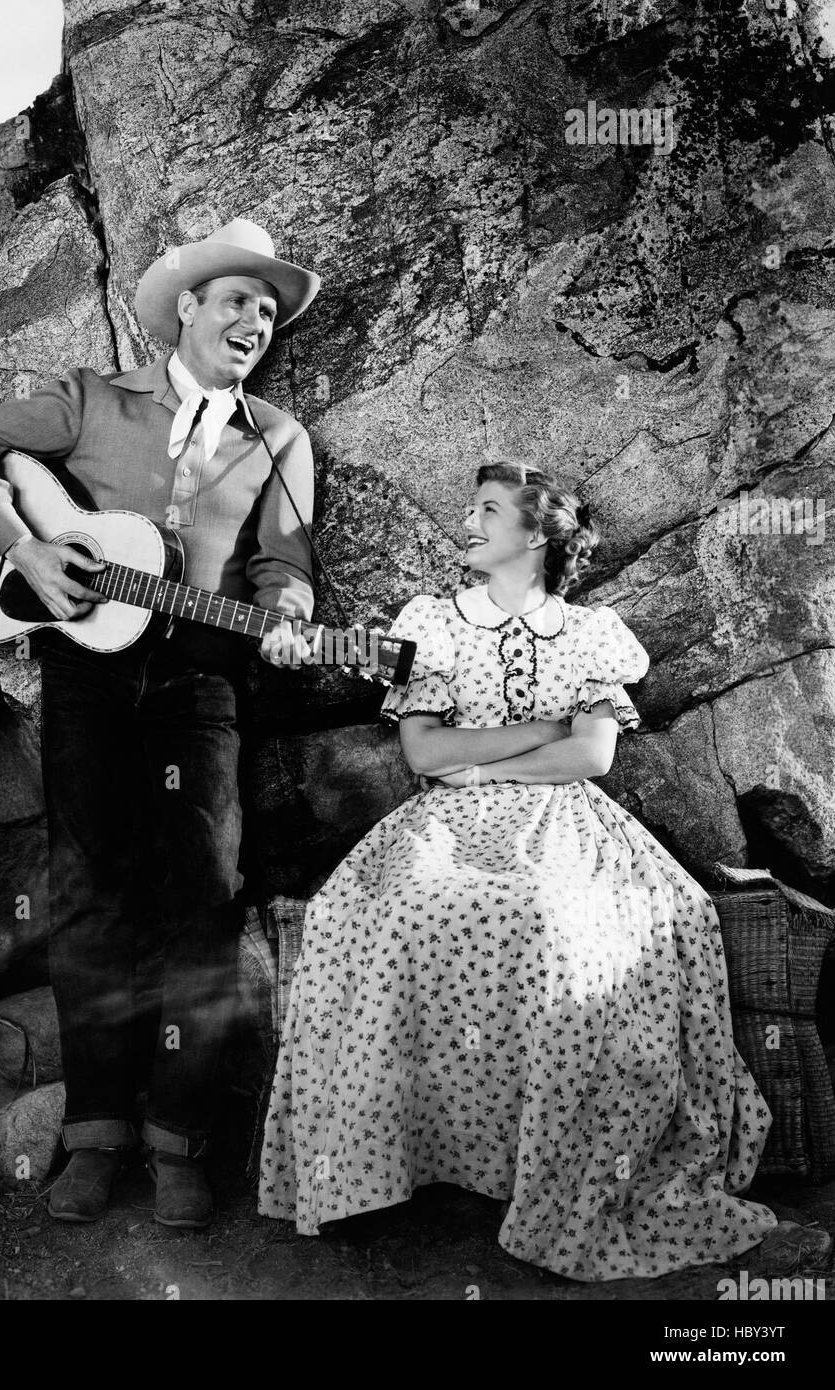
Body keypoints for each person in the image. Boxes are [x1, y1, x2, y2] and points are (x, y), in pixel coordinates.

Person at [258, 460, 791, 1281]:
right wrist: (531, 733)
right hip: (446, 819)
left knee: (559, 925)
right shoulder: (433, 623)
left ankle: (536, 1172)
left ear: (537, 534)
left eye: (488, 509)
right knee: (392, 910)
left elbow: (590, 753)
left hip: (564, 824)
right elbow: (424, 751)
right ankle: (379, 1167)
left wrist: (494, 759)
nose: (467, 522)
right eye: (468, 506)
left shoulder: (587, 633)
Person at [0, 219, 320, 1229]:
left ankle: (179, 1141)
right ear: (186, 306)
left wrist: (288, 619)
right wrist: (27, 547)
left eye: (267, 311)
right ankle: (94, 1133)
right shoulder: (90, 398)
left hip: (202, 678)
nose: (253, 321)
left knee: (206, 895)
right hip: (86, 672)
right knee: (88, 887)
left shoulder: (275, 438)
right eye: (236, 299)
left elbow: (283, 565)